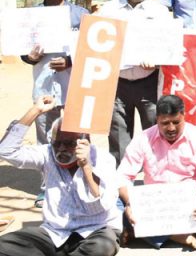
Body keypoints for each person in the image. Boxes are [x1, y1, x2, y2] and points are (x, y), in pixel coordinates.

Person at [0, 96, 121, 256]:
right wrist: (35, 111)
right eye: (57, 143)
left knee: (101, 247)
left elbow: (102, 203)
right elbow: (7, 150)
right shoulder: (47, 153)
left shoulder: (103, 158)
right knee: (5, 245)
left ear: (85, 142)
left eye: (70, 144)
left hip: (95, 230)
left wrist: (86, 167)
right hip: (55, 233)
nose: (61, 149)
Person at [20, 0, 89, 208]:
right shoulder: (32, 16)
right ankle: (47, 187)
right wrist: (32, 57)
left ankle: (82, 182)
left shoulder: (80, 15)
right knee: (45, 138)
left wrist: (70, 61)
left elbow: (93, 49)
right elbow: (23, 55)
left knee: (79, 135)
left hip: (74, 86)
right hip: (44, 87)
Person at [117, 95, 196, 250]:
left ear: (184, 116)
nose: (171, 128)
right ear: (157, 119)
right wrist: (131, 203)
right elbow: (123, 176)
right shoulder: (143, 138)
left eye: (176, 122)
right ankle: (176, 235)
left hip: (191, 203)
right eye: (165, 123)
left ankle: (146, 232)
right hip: (154, 204)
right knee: (114, 202)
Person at [97, 0, 172, 164]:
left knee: (154, 131)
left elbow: (169, 45)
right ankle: (122, 184)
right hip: (116, 83)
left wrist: (157, 61)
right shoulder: (108, 10)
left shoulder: (160, 12)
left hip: (148, 83)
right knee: (118, 134)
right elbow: (94, 42)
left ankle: (154, 177)